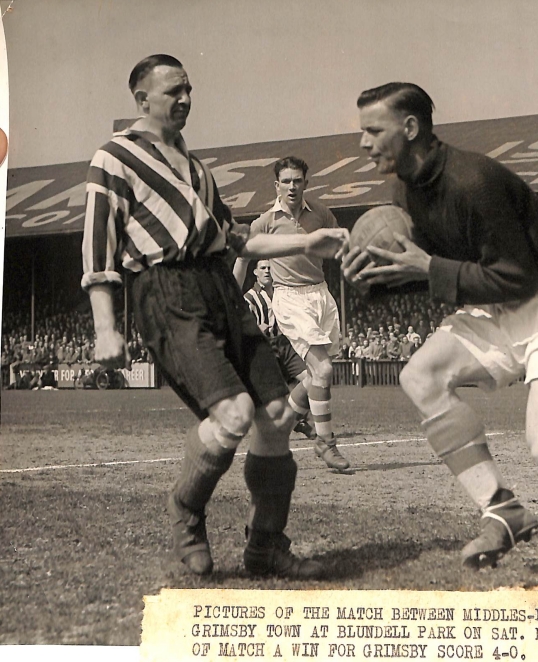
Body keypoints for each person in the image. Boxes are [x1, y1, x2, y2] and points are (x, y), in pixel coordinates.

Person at [342, 82, 538, 591]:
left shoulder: (472, 180)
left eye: (374, 130)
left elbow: (516, 274)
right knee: (421, 375)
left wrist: (428, 266)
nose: (364, 143)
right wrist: (371, 280)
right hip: (499, 306)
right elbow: (443, 272)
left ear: (410, 128)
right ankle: (503, 510)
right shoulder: (407, 190)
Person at [81, 54, 347, 579]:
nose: (184, 99)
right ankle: (186, 507)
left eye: (189, 90)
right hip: (165, 291)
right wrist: (105, 328)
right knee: (233, 414)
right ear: (142, 99)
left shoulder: (196, 167)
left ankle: (265, 547)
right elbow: (97, 249)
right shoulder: (112, 158)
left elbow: (237, 237)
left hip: (219, 287)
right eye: (173, 91)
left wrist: (307, 239)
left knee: (275, 419)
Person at [235, 157, 350, 472]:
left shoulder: (322, 214)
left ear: (306, 184)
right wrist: (233, 291)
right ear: (276, 186)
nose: (292, 186)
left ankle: (284, 420)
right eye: (286, 181)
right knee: (323, 370)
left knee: (315, 376)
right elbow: (243, 250)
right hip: (289, 298)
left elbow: (341, 245)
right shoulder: (266, 221)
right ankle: (325, 442)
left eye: (297, 180)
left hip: (321, 295)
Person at [243, 260, 316, 440]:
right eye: (263, 268)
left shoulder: (281, 293)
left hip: (286, 345)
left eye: (269, 267)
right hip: (265, 347)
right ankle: (297, 423)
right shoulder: (250, 297)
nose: (267, 271)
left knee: (312, 379)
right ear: (255, 272)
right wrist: (255, 327)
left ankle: (297, 419)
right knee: (277, 396)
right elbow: (240, 323)